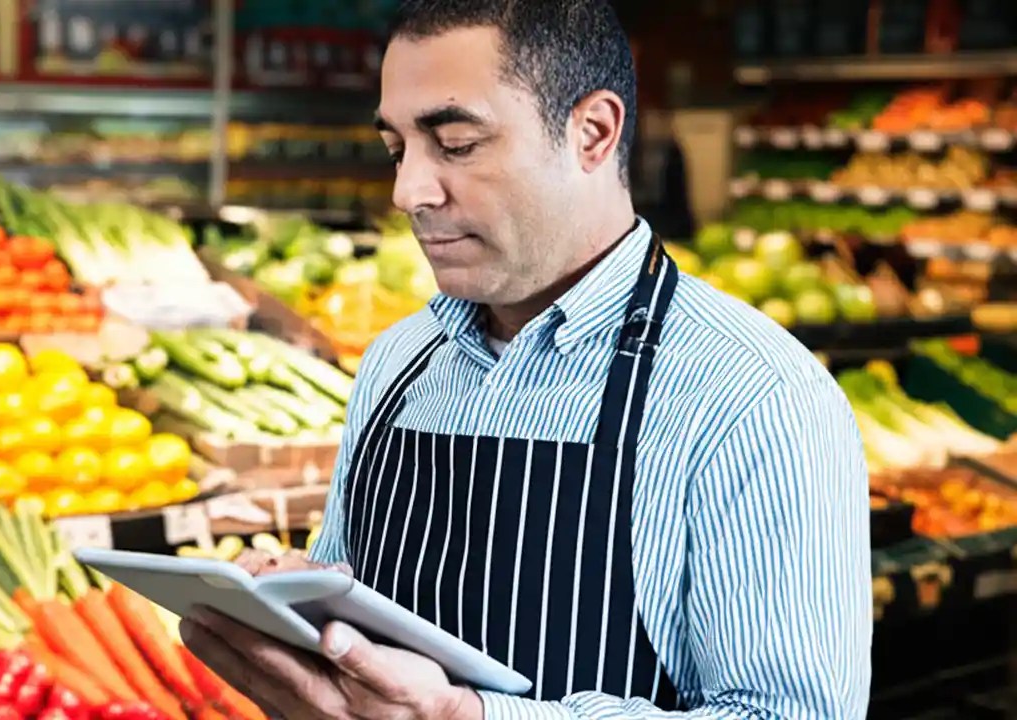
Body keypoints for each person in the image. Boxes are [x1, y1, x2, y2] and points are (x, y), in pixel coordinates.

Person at [181, 1, 872, 718]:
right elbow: (355, 639)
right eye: (397, 150)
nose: (407, 192)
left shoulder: (754, 397)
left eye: (456, 144)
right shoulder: (397, 364)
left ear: (592, 133)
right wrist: (297, 620)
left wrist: (466, 716)